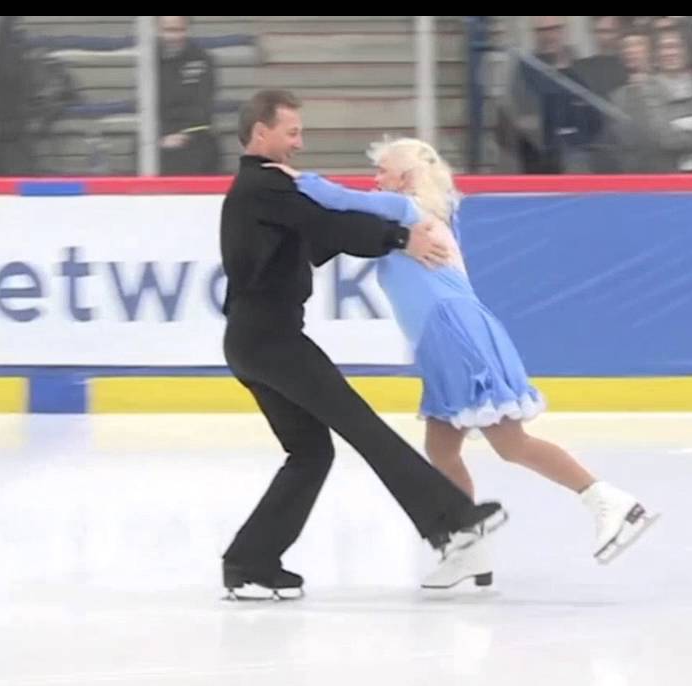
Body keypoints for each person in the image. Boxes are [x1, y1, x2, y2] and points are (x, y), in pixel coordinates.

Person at [265, 137, 657, 589]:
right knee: (442, 449)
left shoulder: (409, 211)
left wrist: (296, 178)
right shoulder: (409, 214)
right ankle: (468, 548)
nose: (376, 180)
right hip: (439, 341)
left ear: (406, 177)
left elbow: (340, 199)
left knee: (510, 443)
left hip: (456, 335)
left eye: (383, 171)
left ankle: (610, 502)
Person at [218, 91, 507, 599]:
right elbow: (327, 224)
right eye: (291, 133)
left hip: (259, 339)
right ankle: (453, 521)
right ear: (260, 133)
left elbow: (321, 236)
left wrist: (375, 234)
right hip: (269, 340)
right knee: (362, 426)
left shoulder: (268, 190)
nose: (299, 143)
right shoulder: (262, 186)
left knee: (311, 452)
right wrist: (400, 238)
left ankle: (250, 562)